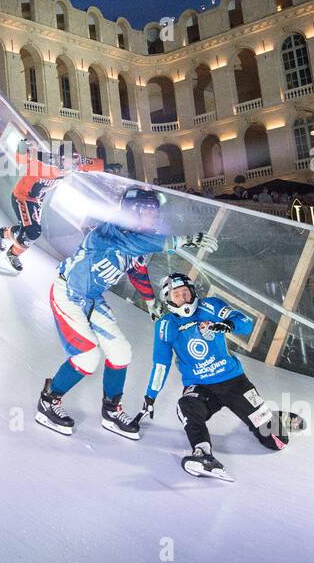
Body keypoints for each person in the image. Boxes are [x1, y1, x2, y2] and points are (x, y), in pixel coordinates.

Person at [36, 186, 218, 439]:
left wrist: (150, 301)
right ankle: (48, 399)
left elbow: (136, 271)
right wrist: (182, 240)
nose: (156, 216)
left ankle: (111, 409)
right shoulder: (109, 231)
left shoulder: (141, 240)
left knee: (121, 352)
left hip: (92, 298)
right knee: (87, 356)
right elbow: (132, 244)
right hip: (68, 294)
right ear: (134, 211)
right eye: (151, 211)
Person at [141, 272, 302, 480]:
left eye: (186, 293)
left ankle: (272, 417)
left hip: (233, 381)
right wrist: (150, 396)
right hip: (200, 386)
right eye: (177, 294)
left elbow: (245, 322)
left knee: (277, 442)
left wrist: (229, 324)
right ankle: (203, 454)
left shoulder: (210, 306)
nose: (183, 298)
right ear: (168, 299)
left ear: (192, 292)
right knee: (186, 405)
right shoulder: (165, 325)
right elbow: (160, 364)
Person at [0, 141, 100, 272]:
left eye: (74, 161)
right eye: (68, 161)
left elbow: (93, 164)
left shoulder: (75, 164)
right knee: (33, 232)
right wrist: (22, 147)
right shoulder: (43, 161)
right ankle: (12, 254)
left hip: (36, 201)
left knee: (27, 231)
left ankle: (1, 233)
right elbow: (23, 159)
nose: (72, 166)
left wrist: (107, 167)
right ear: (60, 159)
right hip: (22, 197)